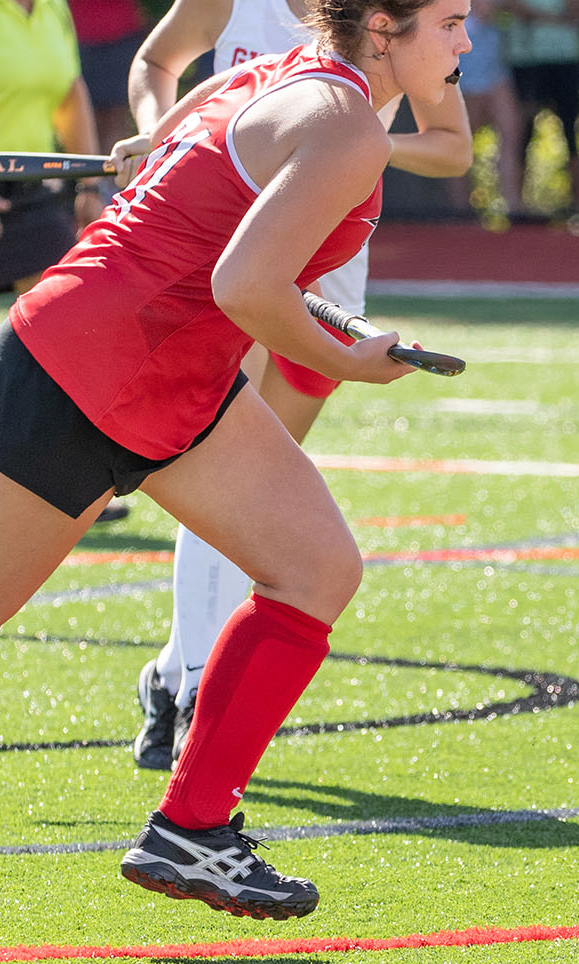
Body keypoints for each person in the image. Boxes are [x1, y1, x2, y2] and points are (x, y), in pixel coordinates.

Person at [0, 0, 470, 919]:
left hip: (169, 374)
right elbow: (244, 283)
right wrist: (349, 357)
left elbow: (183, 133)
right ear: (383, 30)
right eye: (452, 22)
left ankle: (193, 831)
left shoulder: (286, 78)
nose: (467, 43)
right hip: (87, 366)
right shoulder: (345, 122)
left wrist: (155, 153)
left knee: (315, 569)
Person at [125, 0, 472, 770]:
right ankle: (188, 690)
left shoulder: (400, 22)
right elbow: (158, 65)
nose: (464, 37)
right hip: (236, 260)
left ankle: (172, 669)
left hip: (331, 278)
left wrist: (358, 142)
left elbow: (452, 150)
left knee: (253, 490)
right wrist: (160, 134)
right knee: (226, 473)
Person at [0, 0, 107, 361]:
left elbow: (71, 94)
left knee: (63, 330)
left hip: (34, 193)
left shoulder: (54, 9)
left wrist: (89, 185)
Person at [503, 0, 579, 216]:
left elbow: (578, 11)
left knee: (571, 131)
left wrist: (542, 17)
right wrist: (556, 18)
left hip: (566, 59)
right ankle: (516, 207)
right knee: (523, 131)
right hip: (527, 61)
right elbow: (516, 8)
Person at [459, 0, 521, 215]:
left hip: (495, 68)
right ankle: (460, 211)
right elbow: (485, 10)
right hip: (465, 68)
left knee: (512, 133)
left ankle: (513, 207)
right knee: (463, 143)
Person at [68, 0, 147, 153]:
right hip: (80, 35)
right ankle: (93, 172)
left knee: (115, 117)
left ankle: (112, 172)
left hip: (122, 34)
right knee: (87, 117)